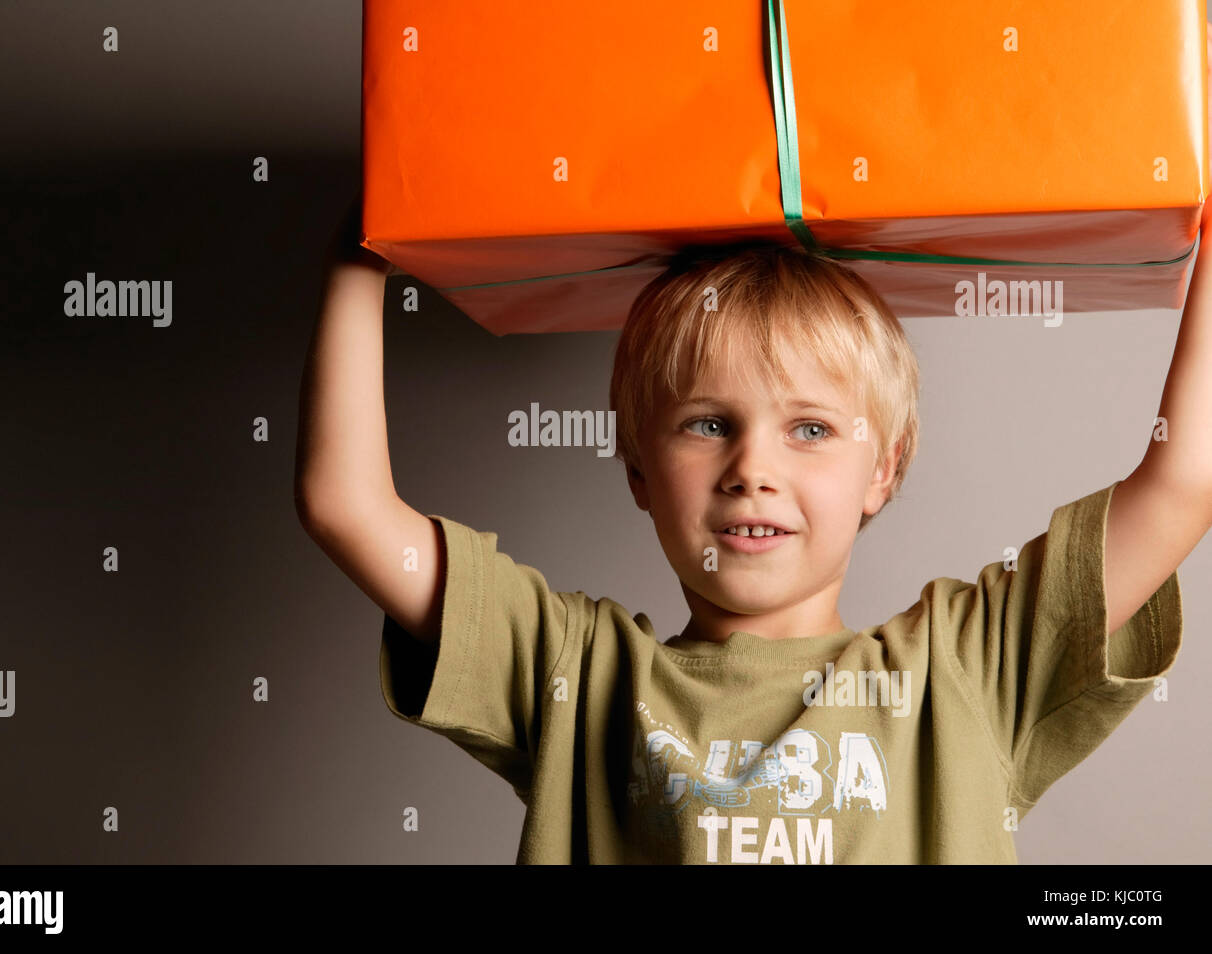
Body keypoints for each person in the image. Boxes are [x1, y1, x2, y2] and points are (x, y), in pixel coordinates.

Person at [295, 189, 1210, 863]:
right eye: (707, 423)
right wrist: (363, 245)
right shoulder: (575, 672)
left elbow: (1185, 482)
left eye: (810, 430)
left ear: (882, 470)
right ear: (640, 469)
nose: (753, 471)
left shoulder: (963, 672)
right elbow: (346, 504)